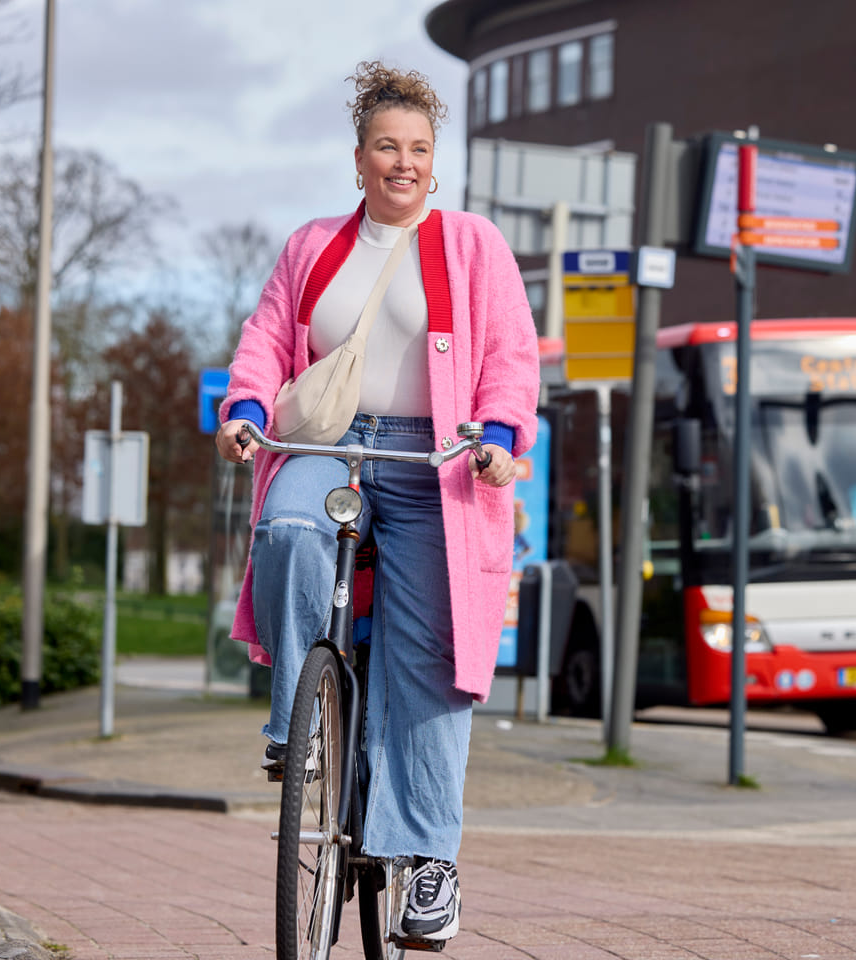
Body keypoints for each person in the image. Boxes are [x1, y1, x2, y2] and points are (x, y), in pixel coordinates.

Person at [213, 60, 539, 944]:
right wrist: (243, 413)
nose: (404, 163)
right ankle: (299, 725)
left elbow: (511, 356)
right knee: (286, 529)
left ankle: (431, 864)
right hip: (330, 443)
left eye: (420, 150)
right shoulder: (315, 242)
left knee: (428, 655)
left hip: (439, 462)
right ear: (358, 159)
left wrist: (504, 438)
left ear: (437, 163)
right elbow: (267, 340)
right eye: (387, 147)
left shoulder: (473, 245)